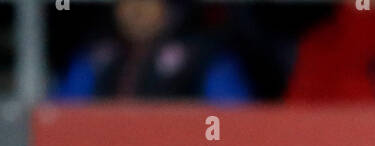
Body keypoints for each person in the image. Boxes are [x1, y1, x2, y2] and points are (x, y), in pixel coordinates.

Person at [54, 0, 251, 101]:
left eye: (147, 1)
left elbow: (231, 124)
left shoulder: (204, 57)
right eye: (127, 1)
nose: (136, 10)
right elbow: (60, 118)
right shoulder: (97, 56)